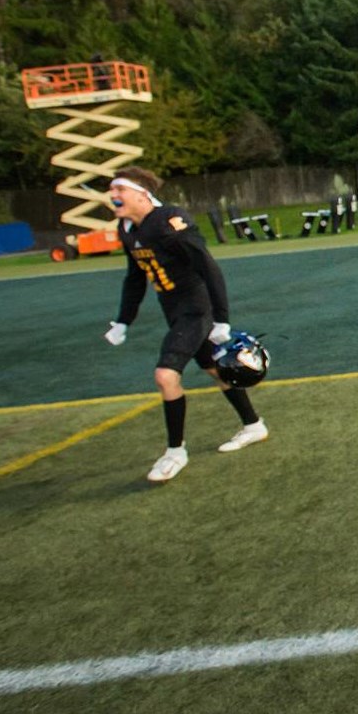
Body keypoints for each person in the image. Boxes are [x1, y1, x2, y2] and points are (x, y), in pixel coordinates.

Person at [103, 166, 266, 483]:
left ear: (140, 194)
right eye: (111, 189)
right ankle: (253, 424)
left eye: (119, 189)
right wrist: (123, 320)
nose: (113, 195)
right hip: (173, 311)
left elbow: (208, 268)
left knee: (165, 376)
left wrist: (221, 318)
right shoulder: (127, 228)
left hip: (196, 308)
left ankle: (175, 451)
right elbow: (135, 276)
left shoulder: (169, 221)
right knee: (214, 369)